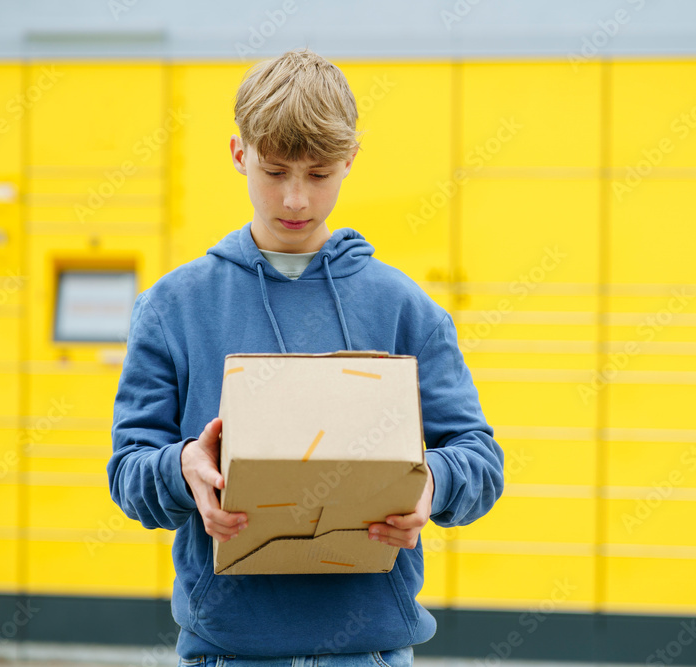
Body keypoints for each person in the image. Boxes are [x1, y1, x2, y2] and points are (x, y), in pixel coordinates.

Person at [106, 47, 504, 666]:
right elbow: (128, 471)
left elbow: (481, 459)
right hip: (228, 652)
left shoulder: (404, 308)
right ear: (239, 154)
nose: (295, 200)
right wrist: (183, 466)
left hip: (369, 651)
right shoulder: (173, 307)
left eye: (319, 175)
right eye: (274, 171)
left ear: (350, 160)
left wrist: (434, 484)